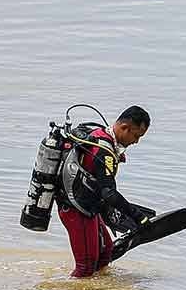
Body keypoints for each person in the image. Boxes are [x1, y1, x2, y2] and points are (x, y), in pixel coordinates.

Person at [58, 106, 153, 277]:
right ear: (125, 128)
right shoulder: (104, 151)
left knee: (105, 254)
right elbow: (109, 193)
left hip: (87, 206)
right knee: (85, 267)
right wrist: (137, 216)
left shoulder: (100, 134)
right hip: (76, 209)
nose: (136, 141)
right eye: (136, 136)